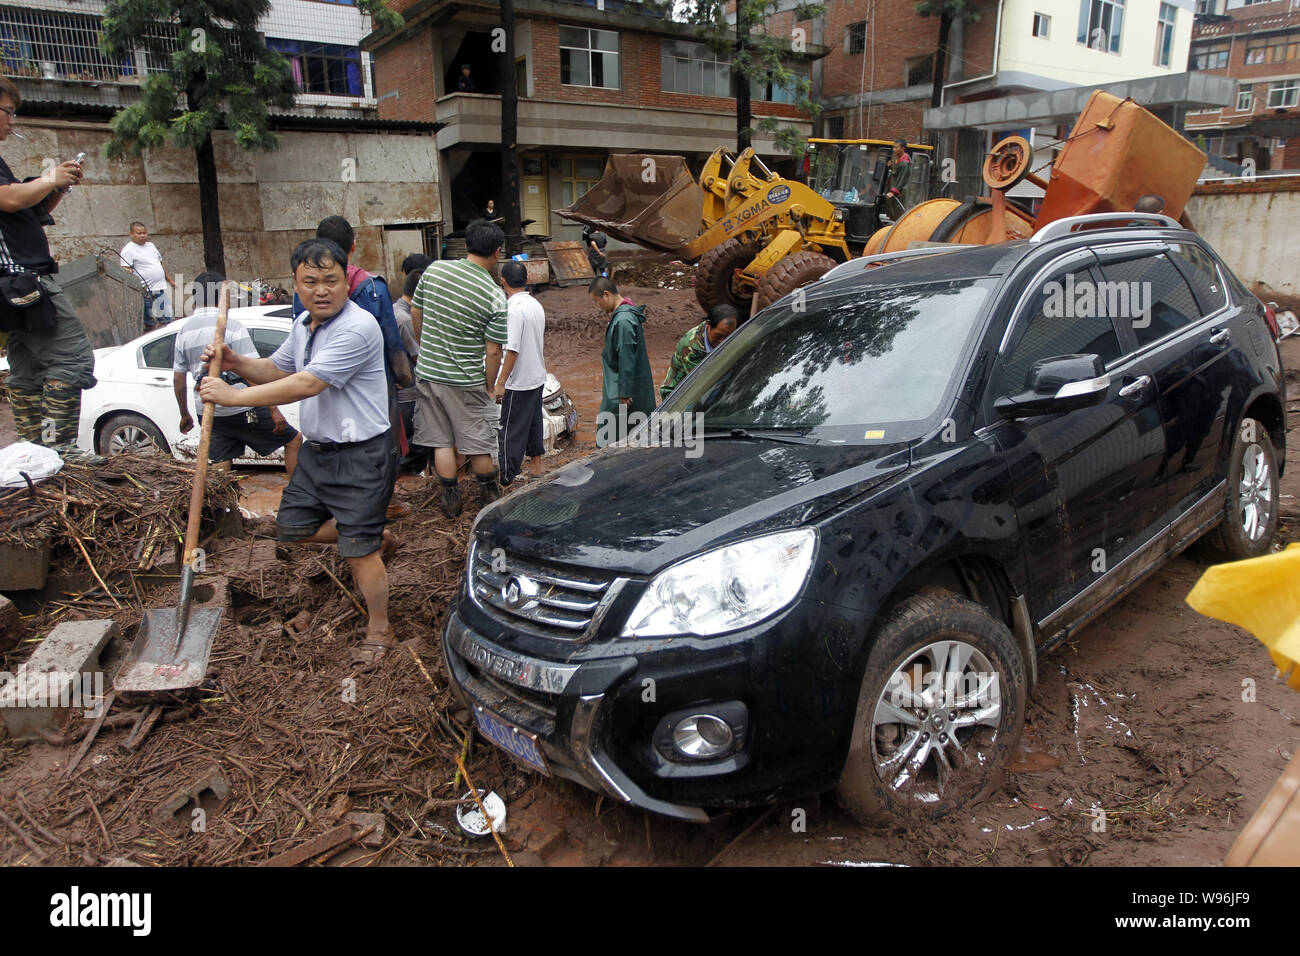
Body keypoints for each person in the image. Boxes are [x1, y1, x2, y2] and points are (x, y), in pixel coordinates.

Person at [198, 238, 399, 667]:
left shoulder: (358, 327)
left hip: (362, 454)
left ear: (347, 280)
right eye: (310, 281)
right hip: (318, 451)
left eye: (331, 280)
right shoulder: (304, 323)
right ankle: (370, 536)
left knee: (358, 553)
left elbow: (308, 383)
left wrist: (232, 399)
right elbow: (276, 369)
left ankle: (380, 627)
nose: (321, 290)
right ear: (296, 284)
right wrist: (234, 363)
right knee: (291, 528)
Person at [0, 76, 105, 466]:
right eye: (8, 112)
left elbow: (28, 212)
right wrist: (48, 178)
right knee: (72, 357)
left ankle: (34, 449)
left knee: (27, 366)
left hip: (13, 288)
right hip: (23, 282)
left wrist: (56, 187)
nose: (13, 121)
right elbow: (9, 199)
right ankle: (58, 447)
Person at [410, 219, 507, 516]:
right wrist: (490, 385)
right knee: (477, 441)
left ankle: (450, 500)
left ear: (466, 245)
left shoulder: (435, 270)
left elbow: (416, 311)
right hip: (466, 380)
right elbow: (493, 351)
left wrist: (425, 346)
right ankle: (488, 496)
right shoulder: (494, 296)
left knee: (441, 441)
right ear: (497, 252)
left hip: (429, 373)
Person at [172, 270, 300, 475]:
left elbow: (178, 378)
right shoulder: (232, 326)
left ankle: (223, 506)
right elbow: (253, 372)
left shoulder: (183, 331)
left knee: (221, 459)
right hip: (241, 407)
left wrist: (184, 413)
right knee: (294, 440)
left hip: (208, 408)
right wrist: (274, 410)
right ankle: (298, 493)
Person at [493, 260, 547, 485]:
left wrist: (500, 382)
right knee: (534, 420)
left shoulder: (513, 310)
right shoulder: (535, 304)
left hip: (519, 380)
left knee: (511, 429)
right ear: (526, 280)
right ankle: (537, 465)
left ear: (502, 281)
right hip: (536, 374)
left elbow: (512, 349)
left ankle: (506, 475)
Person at [591, 276, 655, 447]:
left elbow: (626, 355)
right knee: (634, 434)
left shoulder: (623, 320)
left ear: (606, 294)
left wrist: (624, 391)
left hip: (624, 390)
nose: (599, 306)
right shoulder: (627, 314)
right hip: (630, 386)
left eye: (597, 301)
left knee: (610, 436)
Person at [659, 304, 738, 402]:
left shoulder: (733, 335)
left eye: (728, 336)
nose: (723, 341)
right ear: (708, 325)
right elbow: (701, 386)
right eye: (719, 336)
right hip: (677, 398)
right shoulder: (691, 346)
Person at [393, 267, 430, 473]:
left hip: (400, 391)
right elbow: (419, 358)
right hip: (408, 392)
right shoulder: (406, 320)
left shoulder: (395, 310)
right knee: (414, 444)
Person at [119, 222, 175, 330]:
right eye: (139, 233)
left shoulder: (151, 246)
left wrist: (170, 280)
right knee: (149, 322)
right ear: (131, 234)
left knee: (166, 318)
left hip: (159, 288)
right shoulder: (128, 250)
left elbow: (161, 263)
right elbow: (125, 269)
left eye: (144, 233)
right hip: (144, 291)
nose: (142, 235)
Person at [885, 139, 912, 219]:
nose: (894, 150)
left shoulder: (904, 163)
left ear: (903, 148)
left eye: (896, 148)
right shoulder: (895, 159)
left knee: (898, 214)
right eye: (893, 148)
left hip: (900, 193)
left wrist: (893, 192)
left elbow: (902, 178)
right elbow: (895, 173)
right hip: (893, 189)